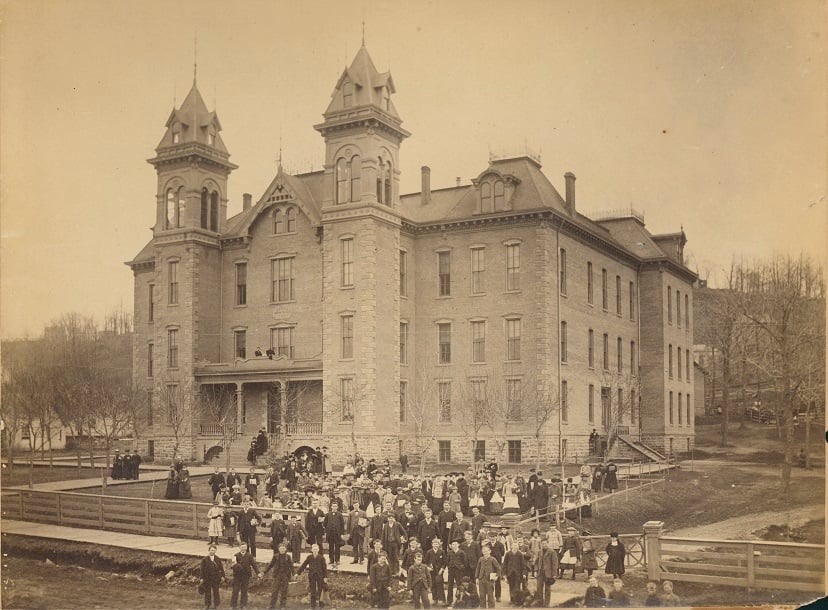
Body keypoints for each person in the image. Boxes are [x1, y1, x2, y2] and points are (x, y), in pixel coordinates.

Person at [263, 541, 294, 610]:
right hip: (277, 575)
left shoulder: (288, 557)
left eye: (283, 548)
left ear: (286, 549)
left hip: (285, 575)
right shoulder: (275, 556)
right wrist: (265, 572)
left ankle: (283, 606)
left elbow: (291, 566)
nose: (282, 550)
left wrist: (294, 574)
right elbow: (271, 565)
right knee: (275, 590)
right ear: (278, 549)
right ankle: (272, 606)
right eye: (281, 548)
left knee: (284, 590)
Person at [297, 543, 328, 609]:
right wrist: (298, 573)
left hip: (320, 576)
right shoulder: (309, 557)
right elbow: (304, 565)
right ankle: (313, 606)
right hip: (312, 576)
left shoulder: (321, 558)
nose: (315, 551)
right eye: (314, 549)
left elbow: (324, 568)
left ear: (318, 550)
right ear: (311, 550)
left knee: (320, 590)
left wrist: (325, 577)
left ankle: (321, 605)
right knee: (312, 590)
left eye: (316, 549)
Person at [230, 542, 260, 609]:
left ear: (246, 548)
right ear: (239, 547)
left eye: (245, 547)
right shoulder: (236, 555)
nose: (243, 548)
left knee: (244, 590)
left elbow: (254, 565)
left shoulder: (249, 555)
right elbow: (232, 566)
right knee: (235, 590)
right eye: (242, 547)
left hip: (246, 576)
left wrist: (258, 573)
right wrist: (236, 566)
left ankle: (243, 605)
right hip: (237, 576)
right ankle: (233, 605)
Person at [502, 536, 528, 605]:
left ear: (518, 547)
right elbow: (504, 564)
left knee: (517, 587)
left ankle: (517, 600)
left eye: (516, 545)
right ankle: (512, 600)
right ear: (511, 546)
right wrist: (504, 574)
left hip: (518, 574)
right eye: (513, 545)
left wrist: (524, 573)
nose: (515, 547)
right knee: (511, 587)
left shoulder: (520, 554)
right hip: (510, 574)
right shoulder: (508, 554)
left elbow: (523, 565)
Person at [475, 544, 501, 609]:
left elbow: (499, 568)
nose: (485, 552)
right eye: (484, 551)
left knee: (490, 595)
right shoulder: (480, 559)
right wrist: (477, 578)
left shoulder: (493, 559)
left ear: (490, 551)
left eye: (486, 551)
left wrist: (497, 576)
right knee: (482, 595)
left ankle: (491, 607)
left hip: (489, 580)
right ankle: (482, 607)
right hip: (481, 579)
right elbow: (478, 569)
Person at [200, 544, 225, 610]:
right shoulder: (204, 559)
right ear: (209, 550)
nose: (212, 552)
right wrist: (201, 578)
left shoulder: (217, 559)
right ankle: (207, 605)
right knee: (207, 592)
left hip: (216, 578)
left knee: (216, 592)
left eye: (214, 550)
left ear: (215, 551)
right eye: (211, 550)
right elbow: (202, 569)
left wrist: (222, 576)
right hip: (207, 578)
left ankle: (217, 605)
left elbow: (221, 568)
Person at [424, 536, 447, 607]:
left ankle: (443, 600)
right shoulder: (429, 552)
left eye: (437, 544)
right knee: (433, 584)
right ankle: (435, 599)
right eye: (434, 544)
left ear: (439, 544)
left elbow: (445, 562)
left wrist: (442, 569)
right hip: (431, 572)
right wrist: (428, 567)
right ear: (432, 544)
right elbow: (425, 562)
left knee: (439, 584)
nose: (436, 545)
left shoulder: (442, 552)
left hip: (439, 571)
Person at [535, 540, 559, 607]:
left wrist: (554, 574)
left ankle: (546, 604)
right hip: (540, 573)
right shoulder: (540, 552)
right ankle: (540, 603)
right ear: (541, 544)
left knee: (547, 589)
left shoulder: (552, 552)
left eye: (545, 543)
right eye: (543, 544)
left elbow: (555, 564)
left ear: (548, 543)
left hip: (548, 573)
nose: (544, 545)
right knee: (539, 588)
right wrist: (536, 570)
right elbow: (536, 562)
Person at [446, 539, 468, 607]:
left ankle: (460, 600)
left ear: (458, 545)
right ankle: (449, 601)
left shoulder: (462, 552)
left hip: (459, 571)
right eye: (453, 544)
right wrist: (449, 566)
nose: (454, 546)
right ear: (451, 546)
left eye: (455, 544)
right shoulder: (449, 552)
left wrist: (461, 567)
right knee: (450, 585)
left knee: (459, 585)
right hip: (451, 571)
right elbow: (447, 561)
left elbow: (465, 562)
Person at [324, 501, 346, 569]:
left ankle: (337, 560)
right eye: (333, 506)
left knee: (337, 547)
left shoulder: (340, 515)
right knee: (330, 547)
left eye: (335, 506)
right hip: (330, 533)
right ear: (331, 507)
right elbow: (325, 524)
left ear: (337, 507)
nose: (334, 507)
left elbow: (342, 525)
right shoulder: (328, 514)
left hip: (337, 534)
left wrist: (342, 534)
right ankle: (331, 560)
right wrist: (328, 530)